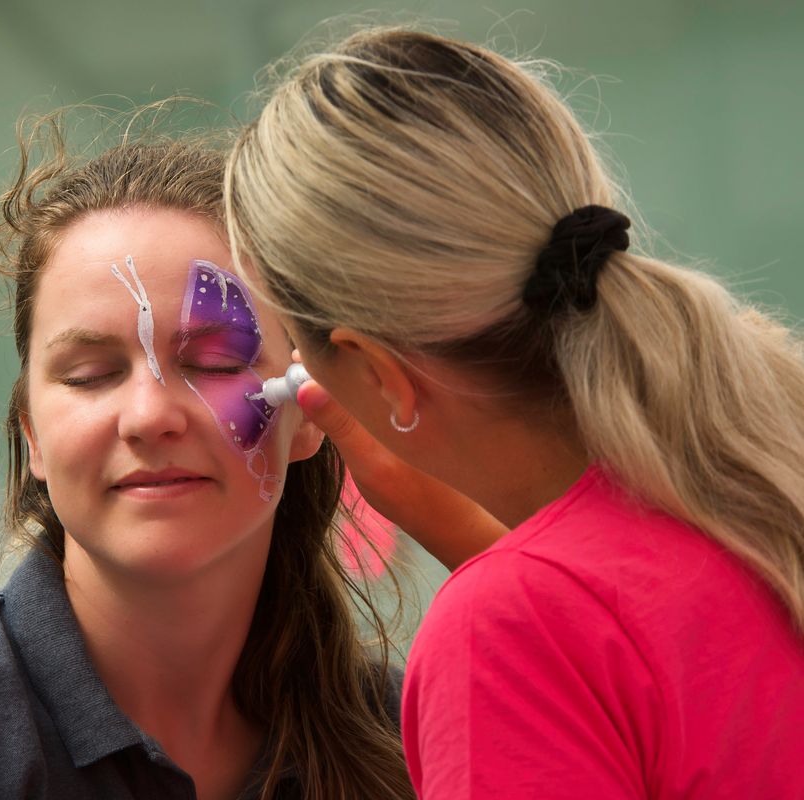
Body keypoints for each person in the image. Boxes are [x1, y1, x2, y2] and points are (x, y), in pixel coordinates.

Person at [223, 26, 804, 798]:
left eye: (292, 339)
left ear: (376, 373)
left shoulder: (514, 632)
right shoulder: (759, 481)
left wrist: (512, 593)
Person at [0, 110, 416, 800]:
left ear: (309, 410)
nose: (150, 416)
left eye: (214, 362)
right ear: (31, 433)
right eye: (90, 374)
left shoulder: (409, 735)